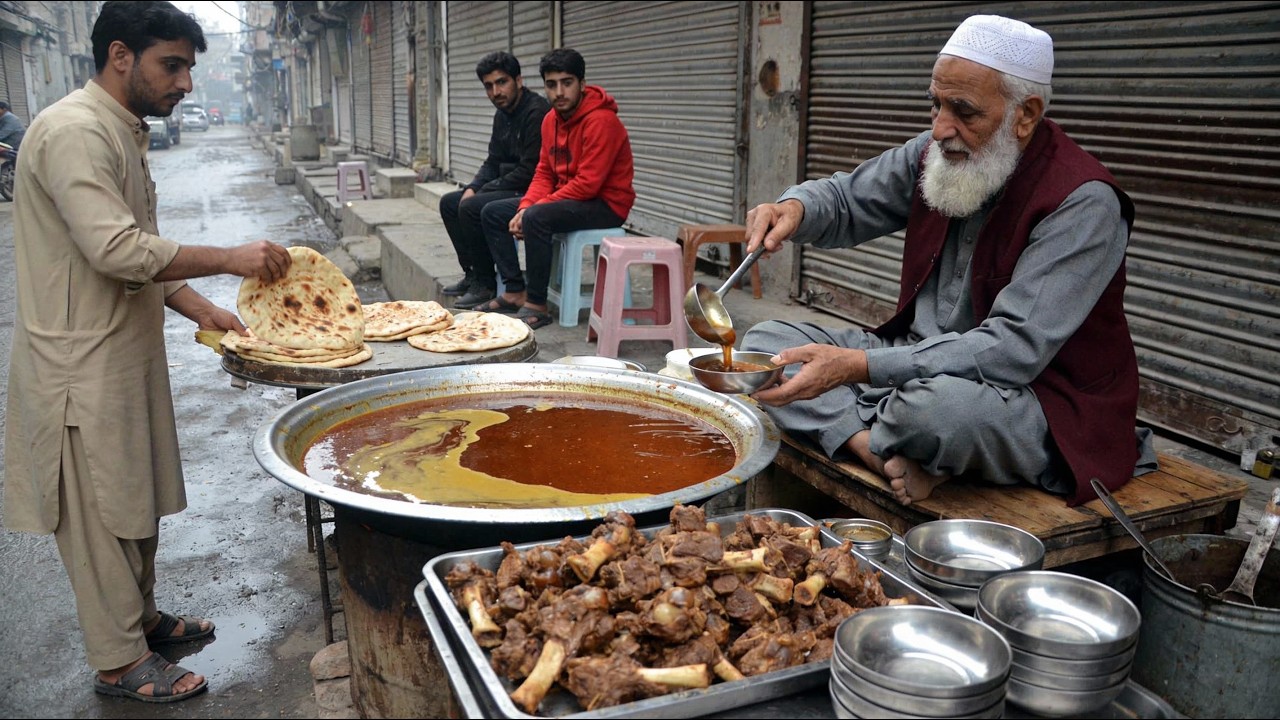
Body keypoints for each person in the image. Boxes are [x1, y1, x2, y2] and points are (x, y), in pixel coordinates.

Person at [741, 15, 1156, 508]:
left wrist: (858, 367)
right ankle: (873, 450)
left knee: (933, 414)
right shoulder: (937, 150)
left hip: (1032, 397)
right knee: (764, 346)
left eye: (963, 111)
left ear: (1025, 115)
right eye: (935, 104)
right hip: (915, 357)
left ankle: (885, 430)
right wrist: (795, 208)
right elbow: (849, 199)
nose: (940, 128)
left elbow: (1010, 352)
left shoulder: (1084, 203)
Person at [3, 1, 292, 703]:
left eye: (189, 67)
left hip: (123, 357)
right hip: (80, 366)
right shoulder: (75, 131)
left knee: (135, 501)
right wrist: (230, 258)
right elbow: (117, 249)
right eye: (173, 65)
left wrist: (205, 307)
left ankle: (140, 621)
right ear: (120, 56)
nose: (186, 83)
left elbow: (141, 261)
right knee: (101, 515)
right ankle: (117, 662)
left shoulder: (120, 131)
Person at [476, 47, 635, 330]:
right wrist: (526, 205)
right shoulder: (551, 120)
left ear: (582, 84)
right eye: (551, 85)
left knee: (538, 216)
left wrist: (535, 209)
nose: (559, 92)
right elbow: (544, 173)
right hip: (570, 199)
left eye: (567, 83)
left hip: (606, 204)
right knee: (492, 212)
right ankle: (515, 290)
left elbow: (588, 184)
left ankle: (537, 303)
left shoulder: (602, 121)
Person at [441, 51, 550, 310]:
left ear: (518, 81)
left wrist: (481, 192)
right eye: (489, 86)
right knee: (450, 202)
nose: (496, 91)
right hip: (509, 186)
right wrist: (473, 187)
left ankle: (487, 284)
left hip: (533, 189)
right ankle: (473, 274)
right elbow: (492, 161)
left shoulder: (537, 113)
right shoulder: (502, 114)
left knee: (473, 206)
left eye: (502, 82)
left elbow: (531, 170)